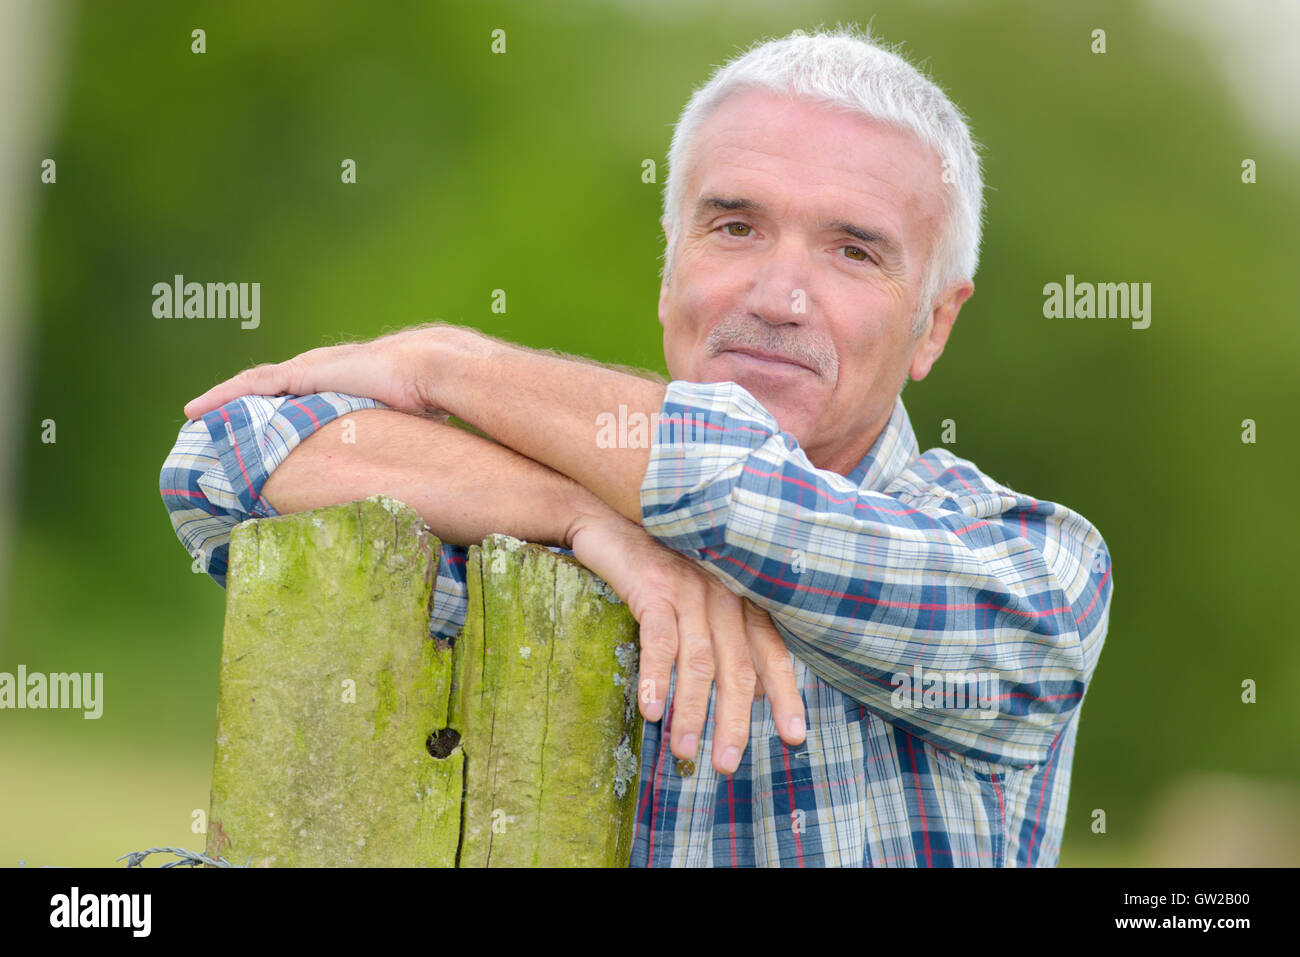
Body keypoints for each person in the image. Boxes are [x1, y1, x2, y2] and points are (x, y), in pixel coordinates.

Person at [160, 26, 1112, 866]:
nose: (778, 297)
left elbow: (745, 492)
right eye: (734, 226)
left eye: (853, 251)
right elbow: (226, 457)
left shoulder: (1030, 562)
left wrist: (450, 362)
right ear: (669, 272)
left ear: (935, 325)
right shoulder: (563, 536)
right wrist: (579, 513)